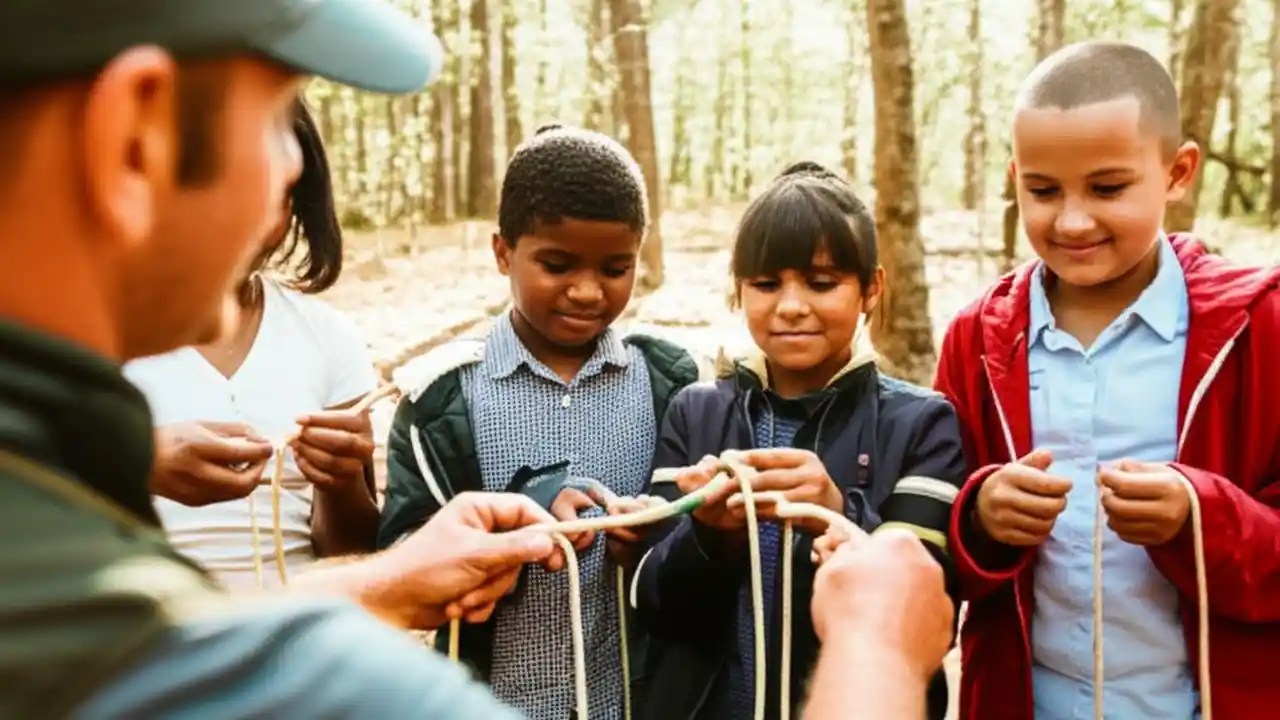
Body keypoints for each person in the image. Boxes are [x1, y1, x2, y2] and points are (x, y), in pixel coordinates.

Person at [0, 2, 559, 717]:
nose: (293, 167)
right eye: (275, 115)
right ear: (134, 142)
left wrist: (376, 584)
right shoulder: (339, 697)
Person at [935, 41, 1280, 720]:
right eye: (1042, 190)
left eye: (1107, 188)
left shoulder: (1258, 328)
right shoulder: (977, 339)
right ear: (1015, 178)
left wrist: (1199, 515)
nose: (1071, 219)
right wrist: (980, 518)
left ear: (1178, 173)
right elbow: (930, 543)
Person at [378, 123, 699, 720]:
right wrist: (514, 528)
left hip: (636, 699)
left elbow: (696, 538)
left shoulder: (668, 381)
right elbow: (406, 552)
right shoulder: (442, 397)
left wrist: (657, 533)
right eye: (557, 265)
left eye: (615, 268)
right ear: (503, 252)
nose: (586, 291)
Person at [631, 162, 966, 720]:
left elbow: (928, 610)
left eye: (821, 282)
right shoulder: (694, 413)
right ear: (737, 291)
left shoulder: (923, 425)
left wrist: (840, 512)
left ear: (870, 289)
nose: (790, 305)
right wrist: (708, 537)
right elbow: (650, 600)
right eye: (766, 284)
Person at [125, 100, 380, 589]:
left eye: (274, 194)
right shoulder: (96, 333)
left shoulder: (329, 339)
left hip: (293, 642)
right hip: (140, 645)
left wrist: (340, 482)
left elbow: (355, 555)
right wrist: (140, 460)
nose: (245, 219)